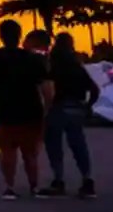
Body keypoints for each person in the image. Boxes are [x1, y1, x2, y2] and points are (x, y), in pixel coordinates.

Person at [0, 20, 52, 200]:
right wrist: (47, 109)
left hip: (3, 109)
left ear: (1, 36)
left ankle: (9, 186)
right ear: (19, 35)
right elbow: (46, 87)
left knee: (7, 150)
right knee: (30, 152)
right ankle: (34, 186)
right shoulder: (33, 59)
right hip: (30, 110)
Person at [42, 33, 98, 198]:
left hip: (58, 107)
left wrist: (46, 109)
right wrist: (88, 106)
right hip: (76, 107)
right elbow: (95, 89)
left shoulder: (53, 65)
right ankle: (87, 179)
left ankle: (58, 180)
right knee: (79, 145)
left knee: (54, 146)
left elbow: (49, 88)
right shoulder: (77, 67)